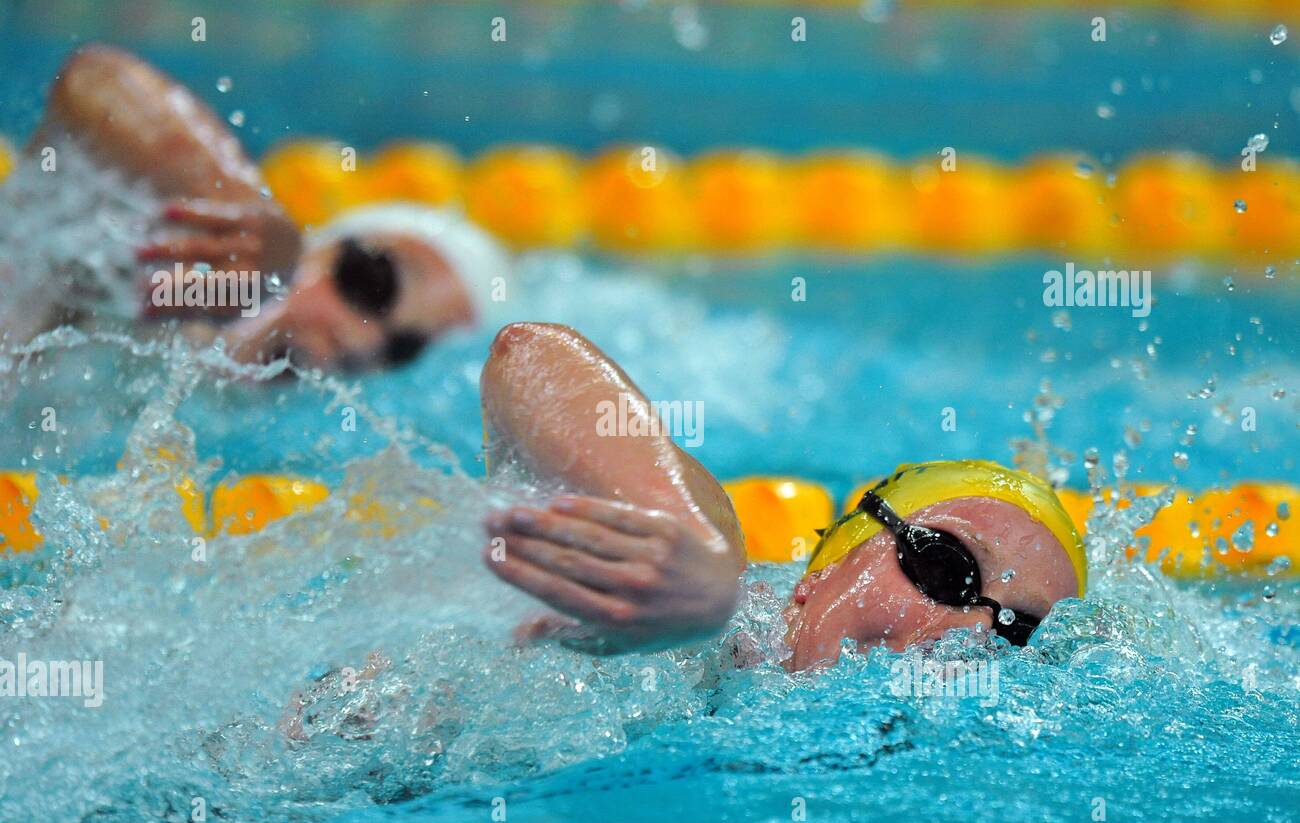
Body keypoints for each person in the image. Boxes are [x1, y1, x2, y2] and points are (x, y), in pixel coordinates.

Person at [480, 322, 1087, 671]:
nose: (975, 631)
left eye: (1017, 630)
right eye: (942, 565)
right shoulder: (722, 632)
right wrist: (693, 552)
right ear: (823, 571)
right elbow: (529, 355)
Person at [0, 44, 508, 369]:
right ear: (321, 247)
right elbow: (96, 77)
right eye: (370, 283)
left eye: (403, 349)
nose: (358, 337)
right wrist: (237, 200)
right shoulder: (189, 258)